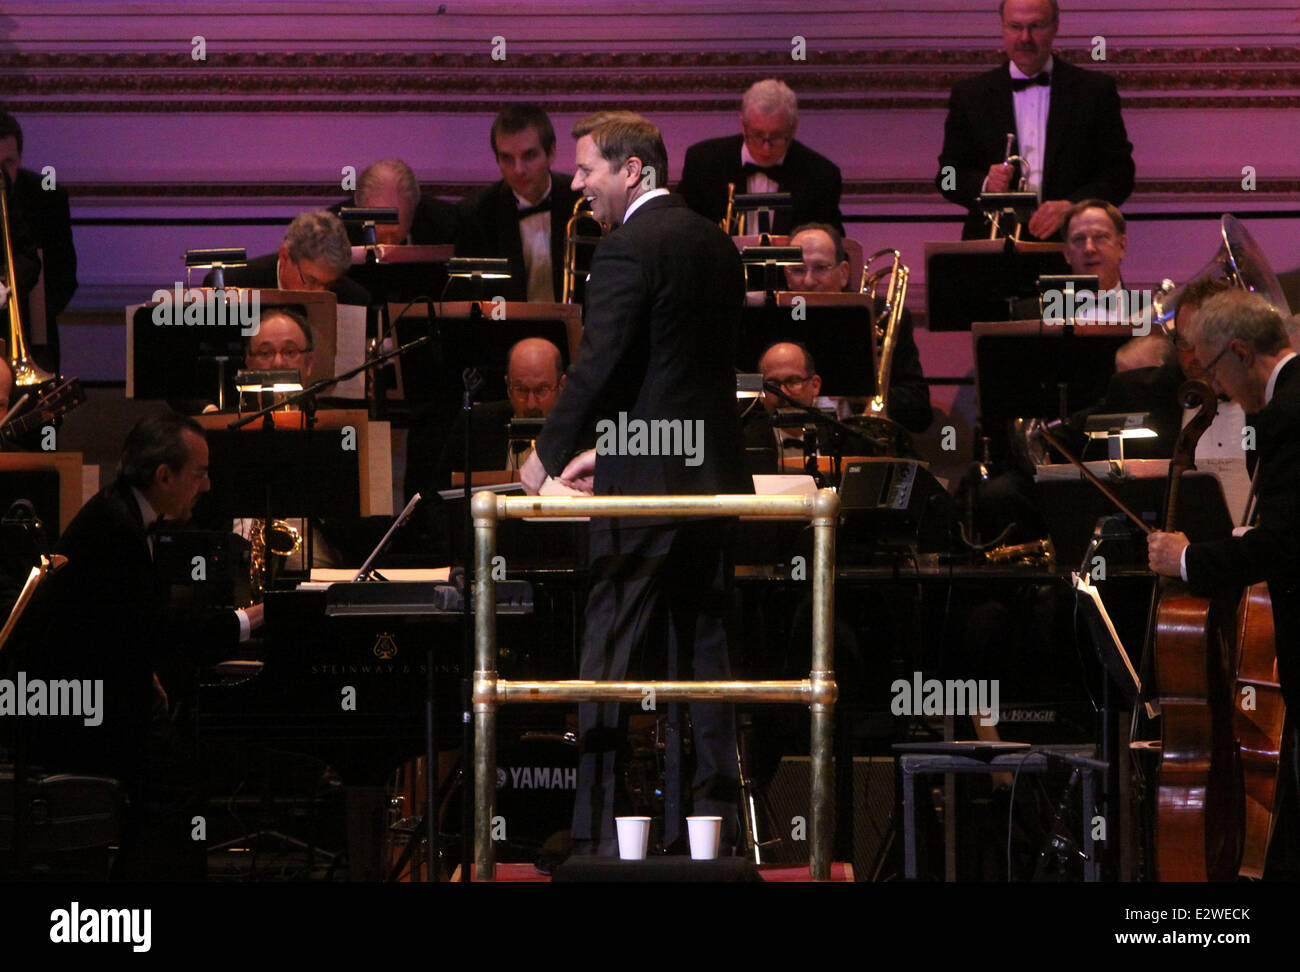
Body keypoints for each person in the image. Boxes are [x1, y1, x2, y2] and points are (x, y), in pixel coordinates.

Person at [520, 112, 750, 857]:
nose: (577, 183)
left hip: (646, 487)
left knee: (610, 655)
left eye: (588, 169)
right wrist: (612, 448)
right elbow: (680, 375)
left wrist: (542, 461)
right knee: (705, 661)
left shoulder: (623, 248)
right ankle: (713, 835)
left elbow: (599, 366)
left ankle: (593, 835)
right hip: (710, 477)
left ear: (635, 172)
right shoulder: (717, 241)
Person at [10, 413, 262, 877]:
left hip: (86, 693)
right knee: (176, 784)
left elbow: (116, 624)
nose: (205, 486)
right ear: (164, 476)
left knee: (176, 764)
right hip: (71, 713)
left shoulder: (118, 510)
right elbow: (163, 631)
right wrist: (248, 620)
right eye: (200, 473)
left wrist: (142, 669)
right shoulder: (117, 529)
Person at [1147, 289, 1300, 875]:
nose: (1215, 388)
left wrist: (1190, 561)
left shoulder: (1287, 413)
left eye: (1212, 369)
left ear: (1239, 351)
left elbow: (1287, 541)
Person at [935, 0, 1134, 241]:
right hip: (992, 253)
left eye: (1036, 26)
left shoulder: (1094, 91)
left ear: (1056, 27)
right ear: (1002, 27)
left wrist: (1074, 207)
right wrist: (985, 183)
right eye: (1015, 26)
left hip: (1071, 247)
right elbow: (947, 177)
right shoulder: (969, 94)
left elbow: (1120, 175)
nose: (1024, 38)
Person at [782, 222, 931, 432]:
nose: (808, 280)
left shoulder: (881, 316)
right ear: (786, 275)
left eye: (820, 268)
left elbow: (919, 410)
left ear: (843, 273)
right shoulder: (771, 320)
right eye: (798, 270)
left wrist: (865, 393)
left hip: (863, 445)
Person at [678, 79, 843, 236]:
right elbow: (683, 230)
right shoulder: (703, 163)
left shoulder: (821, 176)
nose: (766, 148)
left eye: (777, 136)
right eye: (757, 135)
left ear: (793, 128)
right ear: (744, 126)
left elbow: (833, 247)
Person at [456, 104, 583, 302]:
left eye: (529, 156)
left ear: (551, 153)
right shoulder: (478, 213)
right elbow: (471, 297)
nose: (518, 170)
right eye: (507, 158)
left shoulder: (581, 201)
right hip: (507, 329)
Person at [0, 111, 76, 374]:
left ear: (20, 160)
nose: (0, 174)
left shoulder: (47, 198)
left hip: (35, 340)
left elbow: (64, 277)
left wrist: (28, 312)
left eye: (8, 163)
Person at [206, 210, 370, 307]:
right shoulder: (230, 286)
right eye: (311, 281)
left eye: (328, 285)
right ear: (285, 256)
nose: (320, 294)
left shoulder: (354, 300)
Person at [337, 158, 458, 246]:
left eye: (397, 235)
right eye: (380, 235)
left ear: (413, 211)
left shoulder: (445, 226)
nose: (389, 245)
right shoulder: (337, 232)